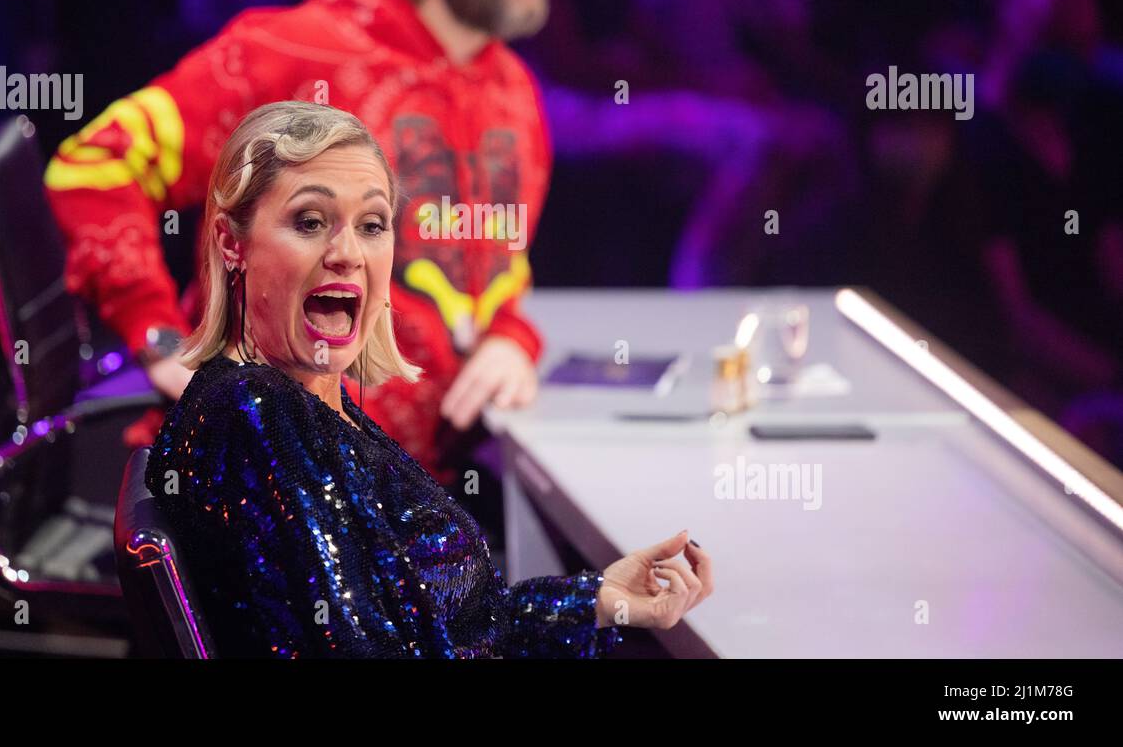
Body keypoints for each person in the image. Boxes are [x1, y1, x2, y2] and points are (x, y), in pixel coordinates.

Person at [45, 0, 559, 486]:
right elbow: (96, 162)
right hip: (265, 492)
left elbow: (495, 274)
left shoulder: (511, 92)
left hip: (423, 495)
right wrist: (160, 338)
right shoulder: (285, 56)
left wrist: (509, 340)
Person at [144, 100, 713, 657]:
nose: (346, 253)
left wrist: (597, 598)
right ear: (231, 242)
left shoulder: (314, 404)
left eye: (372, 225)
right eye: (310, 222)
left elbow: (455, 629)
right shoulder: (257, 414)